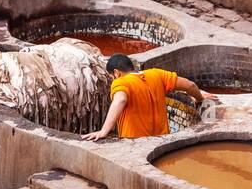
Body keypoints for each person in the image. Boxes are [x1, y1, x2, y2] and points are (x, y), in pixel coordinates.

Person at [82, 54, 213, 141]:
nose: (112, 80)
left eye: (111, 77)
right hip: (162, 141)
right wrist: (200, 98)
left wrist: (104, 130)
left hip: (135, 144)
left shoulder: (121, 82)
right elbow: (190, 85)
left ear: (116, 72)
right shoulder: (157, 74)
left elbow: (120, 99)